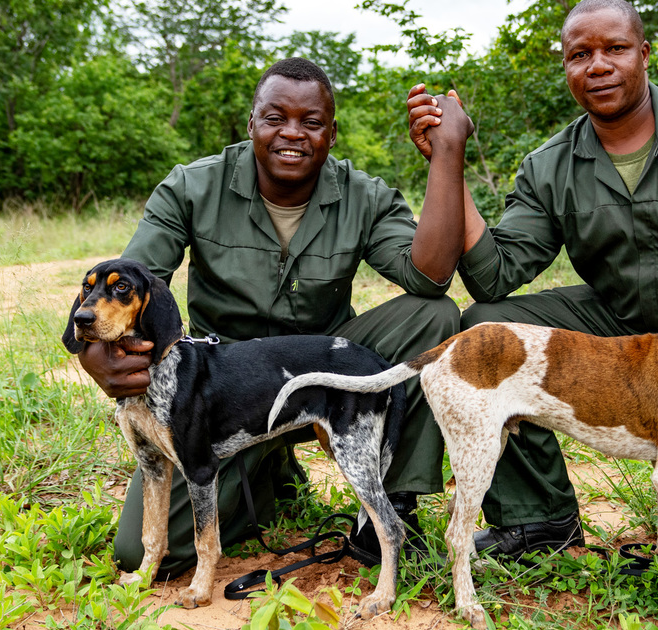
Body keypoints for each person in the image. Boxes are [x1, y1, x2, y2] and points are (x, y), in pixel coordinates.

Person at [406, 0, 658, 561]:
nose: (597, 65)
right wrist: (445, 160)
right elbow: (493, 276)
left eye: (615, 49)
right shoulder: (550, 165)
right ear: (567, 69)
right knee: (489, 324)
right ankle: (539, 520)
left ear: (645, 54)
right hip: (618, 333)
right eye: (580, 54)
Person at [78, 57, 472, 575]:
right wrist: (94, 355)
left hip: (325, 372)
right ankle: (264, 474)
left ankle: (388, 508)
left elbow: (431, 278)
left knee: (432, 314)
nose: (292, 134)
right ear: (251, 124)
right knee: (145, 552)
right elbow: (132, 284)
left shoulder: (365, 194)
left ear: (332, 134)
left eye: (311, 123)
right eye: (274, 118)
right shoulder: (191, 187)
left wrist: (446, 156)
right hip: (225, 389)